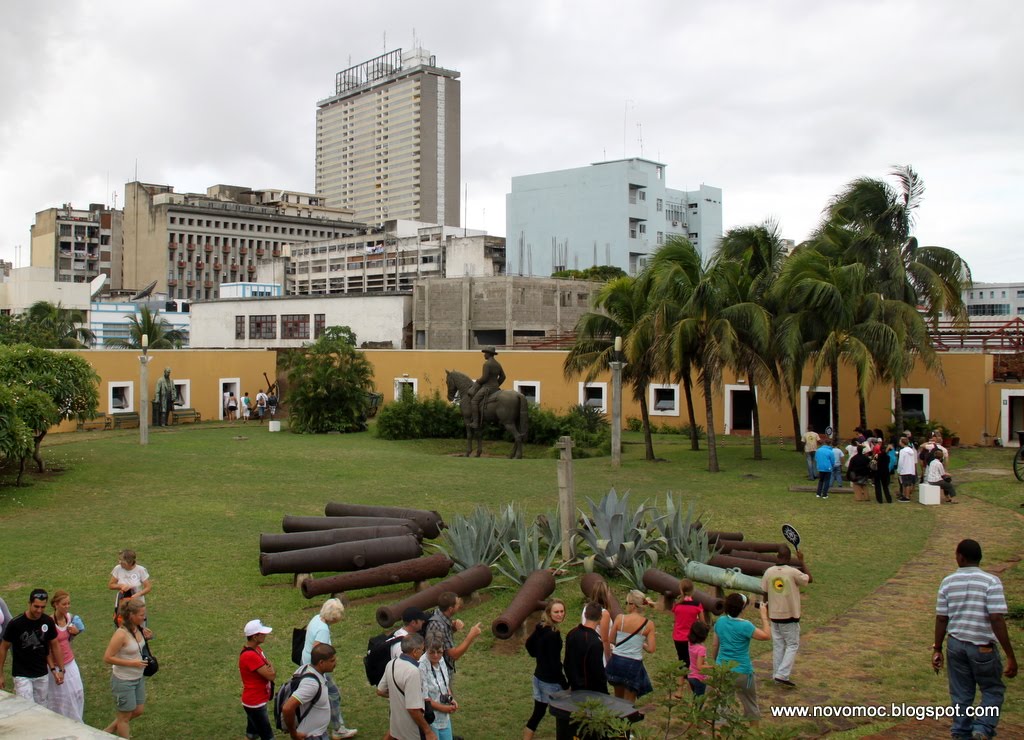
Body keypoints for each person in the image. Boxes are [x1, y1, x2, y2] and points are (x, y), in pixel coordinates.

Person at [933, 539, 1017, 740]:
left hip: (955, 645)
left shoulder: (948, 582)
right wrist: (1010, 655)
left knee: (961, 693)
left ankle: (961, 732)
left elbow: (942, 618)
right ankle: (982, 727)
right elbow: (996, 618)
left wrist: (937, 648)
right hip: (982, 647)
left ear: (960, 557)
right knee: (992, 689)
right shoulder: (991, 582)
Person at [301, 598, 358, 739]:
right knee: (332, 695)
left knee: (319, 696)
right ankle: (338, 729)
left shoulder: (316, 619)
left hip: (306, 663)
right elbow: (317, 650)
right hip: (316, 670)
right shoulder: (323, 630)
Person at [710, 593, 770, 720]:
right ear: (742, 609)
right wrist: (764, 615)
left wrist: (716, 662)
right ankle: (754, 733)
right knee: (751, 705)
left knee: (723, 706)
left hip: (723, 670)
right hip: (742, 671)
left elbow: (715, 645)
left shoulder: (720, 622)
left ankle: (721, 731)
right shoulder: (746, 625)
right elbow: (766, 635)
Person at [0, 588, 64, 706]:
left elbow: (54, 645)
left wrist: (60, 670)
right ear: (29, 603)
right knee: (26, 707)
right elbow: (3, 647)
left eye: (43, 607)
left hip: (41, 673)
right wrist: (1, 674)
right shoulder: (16, 624)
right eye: (36, 606)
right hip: (22, 675)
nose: (39, 610)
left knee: (42, 708)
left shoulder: (47, 621)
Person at [761, 549, 812, 687]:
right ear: (789, 559)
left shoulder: (769, 572)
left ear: (777, 556)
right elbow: (809, 578)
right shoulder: (792, 572)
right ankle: (782, 674)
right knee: (792, 644)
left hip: (774, 616)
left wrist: (765, 610)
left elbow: (764, 593)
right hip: (789, 615)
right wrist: (801, 560)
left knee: (778, 645)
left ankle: (776, 674)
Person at [102, 598, 151, 738]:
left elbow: (137, 648)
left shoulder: (138, 628)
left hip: (138, 678)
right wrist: (132, 663)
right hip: (124, 680)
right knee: (124, 718)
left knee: (138, 710)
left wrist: (148, 637)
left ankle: (108, 731)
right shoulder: (121, 634)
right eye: (141, 615)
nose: (144, 617)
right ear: (131, 615)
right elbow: (107, 657)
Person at [377, 633, 436, 740]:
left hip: (396, 723)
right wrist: (428, 731)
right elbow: (413, 709)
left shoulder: (391, 664)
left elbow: (380, 691)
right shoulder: (413, 672)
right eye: (422, 650)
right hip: (412, 730)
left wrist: (397, 697)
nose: (423, 653)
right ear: (414, 651)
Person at [523, 599, 568, 739]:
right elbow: (555, 665)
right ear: (549, 613)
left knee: (538, 713)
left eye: (562, 611)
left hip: (538, 677)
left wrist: (538, 655)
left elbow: (529, 644)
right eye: (556, 612)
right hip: (550, 682)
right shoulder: (553, 634)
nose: (560, 614)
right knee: (564, 715)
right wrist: (565, 684)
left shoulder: (541, 627)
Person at [606, 590, 656, 702]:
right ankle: (627, 719)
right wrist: (641, 643)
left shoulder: (620, 619)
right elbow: (651, 649)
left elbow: (611, 639)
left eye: (627, 602)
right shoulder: (648, 624)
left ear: (633, 605)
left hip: (617, 661)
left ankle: (616, 718)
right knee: (629, 702)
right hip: (633, 664)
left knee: (617, 698)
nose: (626, 605)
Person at [282, 643, 336, 740]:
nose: (335, 663)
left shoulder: (308, 668)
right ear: (321, 663)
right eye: (332, 661)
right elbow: (287, 708)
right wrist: (293, 733)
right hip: (311, 736)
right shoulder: (311, 684)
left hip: (318, 734)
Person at [46, 590, 85, 721]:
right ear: (56, 604)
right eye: (64, 604)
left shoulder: (70, 618)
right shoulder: (49, 622)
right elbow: (48, 649)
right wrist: (53, 669)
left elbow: (71, 637)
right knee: (61, 698)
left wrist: (76, 632)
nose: (67, 606)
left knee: (77, 692)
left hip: (70, 661)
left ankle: (77, 720)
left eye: (68, 603)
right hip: (56, 665)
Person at [424, 592, 483, 678]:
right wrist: (471, 636)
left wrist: (453, 628)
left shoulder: (439, 615)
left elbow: (442, 639)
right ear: (451, 609)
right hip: (439, 675)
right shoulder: (439, 625)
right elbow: (454, 655)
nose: (459, 606)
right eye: (457, 604)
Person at [239, 619, 276, 740]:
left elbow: (268, 667)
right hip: (255, 703)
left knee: (252, 735)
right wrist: (271, 669)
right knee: (268, 737)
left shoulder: (257, 650)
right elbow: (270, 675)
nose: (265, 635)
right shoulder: (250, 655)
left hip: (256, 700)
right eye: (262, 633)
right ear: (255, 637)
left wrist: (270, 668)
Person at [670, 579, 705, 699]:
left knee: (682, 661)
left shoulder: (677, 604)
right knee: (692, 663)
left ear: (681, 590)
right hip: (691, 638)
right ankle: (693, 686)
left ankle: (679, 689)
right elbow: (702, 623)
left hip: (678, 637)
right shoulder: (697, 605)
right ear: (693, 590)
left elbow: (675, 617)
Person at [563, 602, 608, 693]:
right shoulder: (595, 642)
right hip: (589, 690)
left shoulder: (572, 633)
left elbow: (567, 661)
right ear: (600, 617)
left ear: (585, 614)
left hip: (574, 684)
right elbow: (597, 670)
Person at [421, 635, 458, 740]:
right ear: (426, 649)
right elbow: (424, 698)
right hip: (430, 716)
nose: (436, 656)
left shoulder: (441, 660)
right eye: (432, 652)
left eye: (439, 652)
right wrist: (444, 708)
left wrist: (451, 698)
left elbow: (445, 684)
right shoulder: (421, 666)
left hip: (444, 715)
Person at [108, 549, 152, 626]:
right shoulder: (118, 569)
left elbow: (148, 587)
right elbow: (111, 585)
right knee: (122, 626)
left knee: (139, 628)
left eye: (122, 560)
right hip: (123, 604)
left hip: (137, 604)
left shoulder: (140, 570)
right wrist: (120, 586)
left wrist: (138, 594)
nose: (119, 562)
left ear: (130, 562)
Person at [468, 346, 506, 430]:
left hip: (487, 388)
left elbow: (484, 378)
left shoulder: (487, 364)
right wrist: (496, 385)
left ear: (489, 354)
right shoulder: (498, 364)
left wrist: (478, 381)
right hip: (495, 388)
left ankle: (475, 423)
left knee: (474, 401)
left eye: (485, 353)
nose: (484, 355)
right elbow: (503, 376)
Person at [584, 578, 614, 661]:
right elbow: (604, 639)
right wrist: (608, 659)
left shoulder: (586, 608)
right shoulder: (604, 613)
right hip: (599, 651)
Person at [686, 621, 710, 697]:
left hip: (691, 676)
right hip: (699, 678)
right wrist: (712, 667)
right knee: (698, 703)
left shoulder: (690, 643)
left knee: (695, 699)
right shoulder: (701, 649)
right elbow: (699, 666)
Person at [871, 440, 894, 504]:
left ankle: (879, 499)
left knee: (878, 486)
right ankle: (888, 499)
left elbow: (873, 462)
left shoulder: (877, 456)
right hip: (885, 472)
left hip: (878, 472)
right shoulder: (888, 457)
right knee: (885, 486)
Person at [897, 436, 917, 502]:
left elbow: (901, 461)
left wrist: (899, 470)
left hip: (904, 469)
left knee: (905, 484)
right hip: (910, 469)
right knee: (908, 483)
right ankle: (906, 495)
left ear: (902, 442)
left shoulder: (902, 451)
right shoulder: (911, 450)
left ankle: (906, 496)